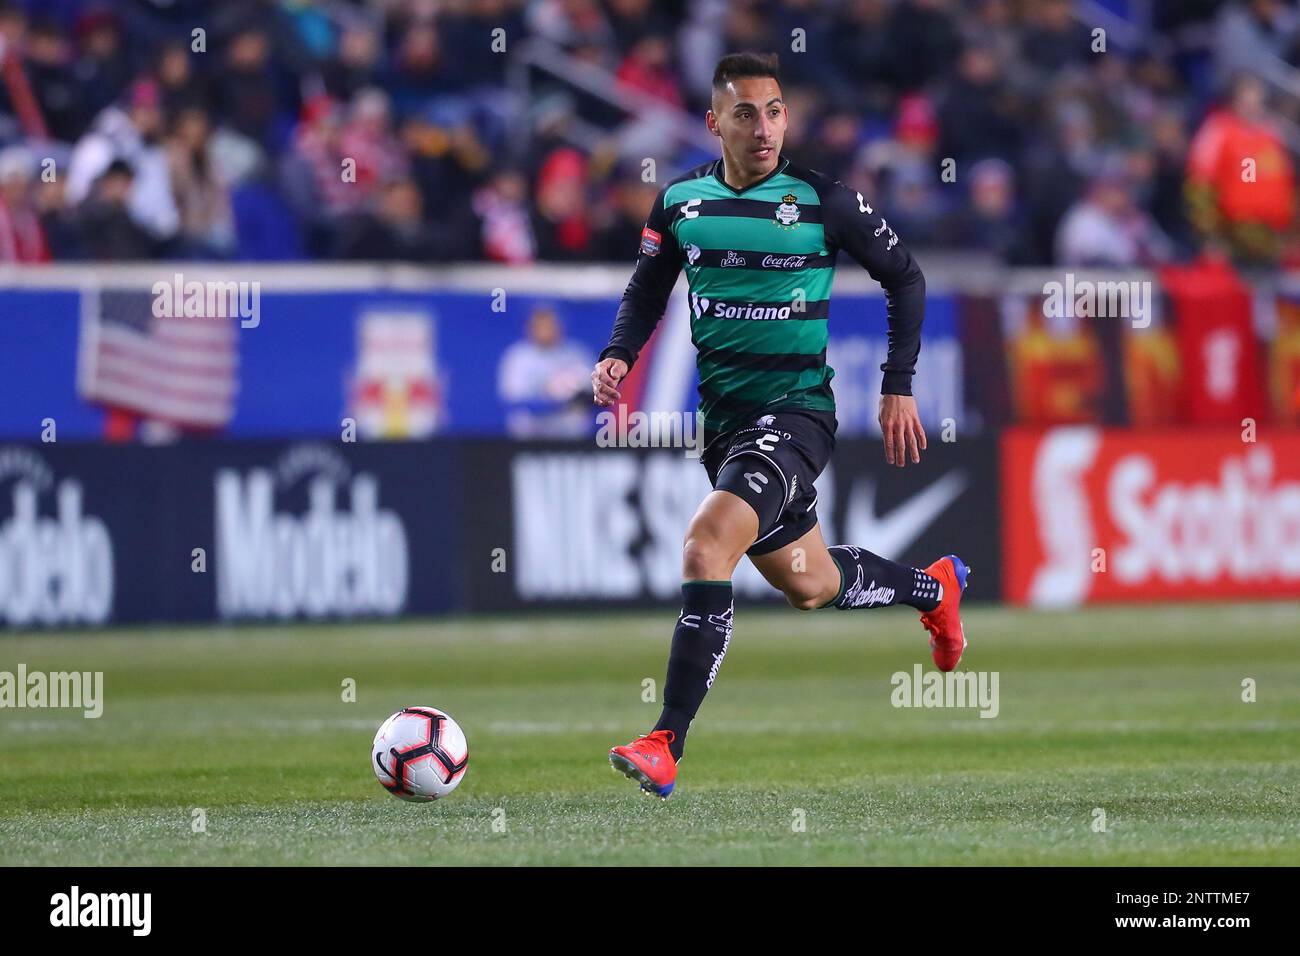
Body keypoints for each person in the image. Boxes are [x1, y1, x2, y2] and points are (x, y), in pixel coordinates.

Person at [592, 52, 968, 799]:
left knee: (706, 544)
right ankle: (933, 589)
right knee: (810, 583)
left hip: (796, 415)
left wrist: (898, 386)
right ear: (714, 123)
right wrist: (618, 352)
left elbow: (906, 276)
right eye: (744, 113)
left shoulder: (823, 201)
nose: (762, 128)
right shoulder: (680, 203)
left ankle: (665, 739)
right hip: (726, 426)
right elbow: (647, 289)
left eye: (773, 112)